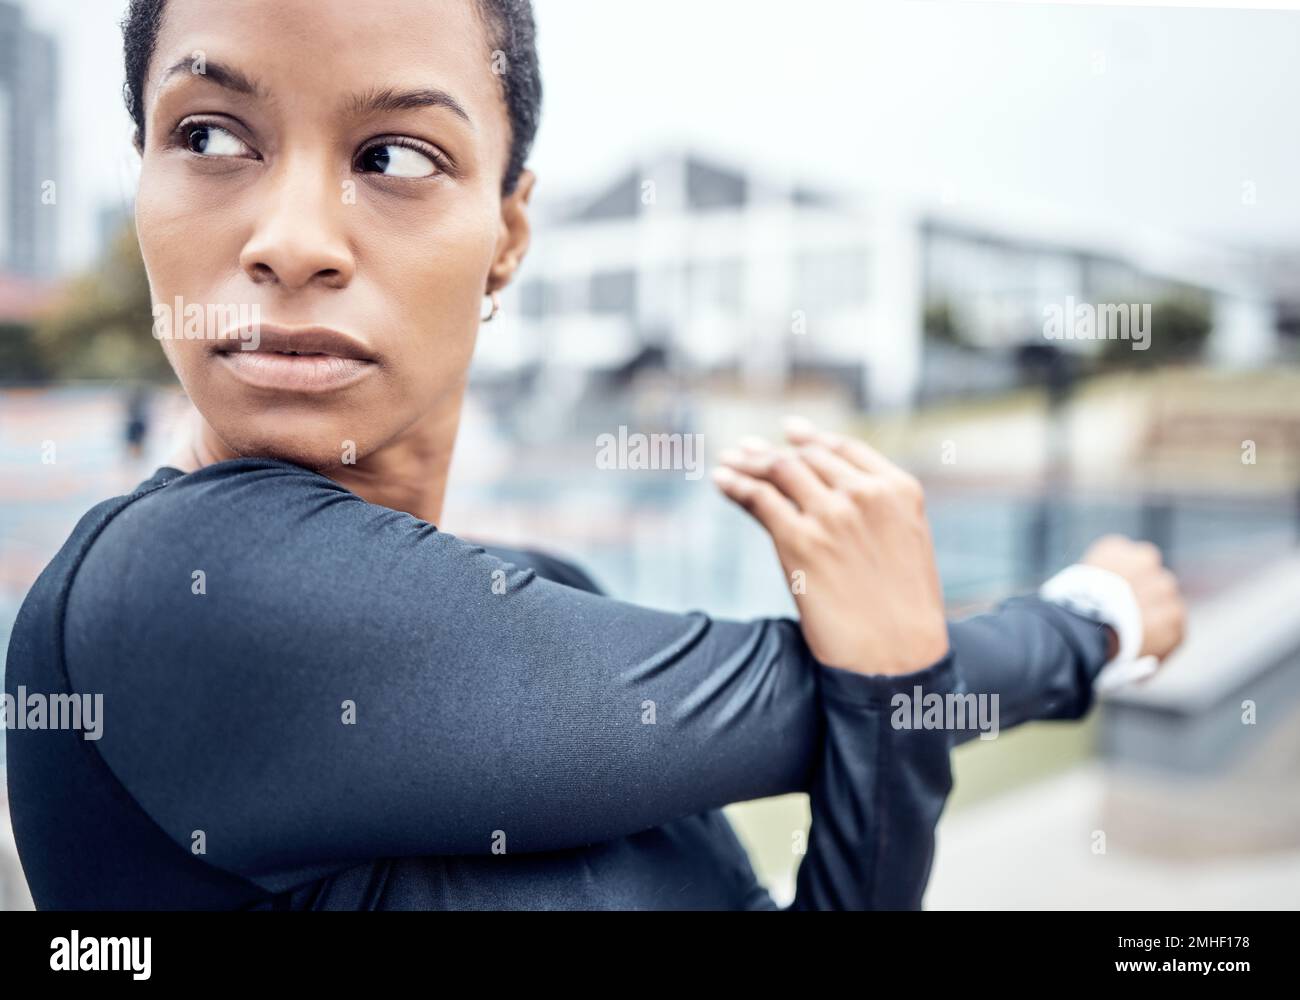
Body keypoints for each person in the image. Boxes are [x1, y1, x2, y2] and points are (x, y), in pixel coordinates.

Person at [3, 0, 1186, 911]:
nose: (293, 241)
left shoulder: (555, 595)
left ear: (507, 236)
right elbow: (814, 699)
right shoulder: (169, 598)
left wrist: (892, 688)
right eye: (209, 134)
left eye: (396, 155)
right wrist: (1094, 619)